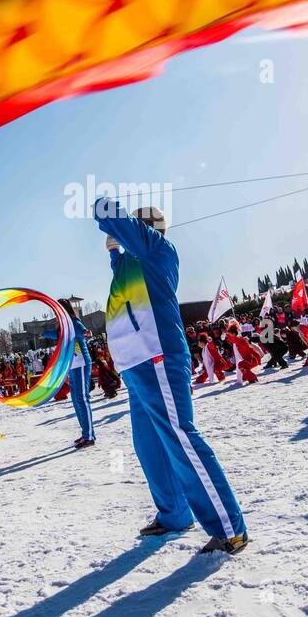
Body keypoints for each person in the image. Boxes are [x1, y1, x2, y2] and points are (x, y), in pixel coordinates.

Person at [95, 198, 247, 554]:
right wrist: (114, 251)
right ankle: (175, 514)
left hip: (158, 356)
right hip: (134, 362)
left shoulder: (156, 248)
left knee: (180, 439)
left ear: (147, 228)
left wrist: (106, 209)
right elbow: (121, 269)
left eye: (135, 224)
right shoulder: (134, 260)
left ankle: (229, 526)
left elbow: (105, 211)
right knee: (149, 445)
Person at [58, 299, 96, 447]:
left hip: (80, 362)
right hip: (73, 365)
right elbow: (56, 334)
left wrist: (87, 332)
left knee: (82, 398)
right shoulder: (63, 325)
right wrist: (44, 334)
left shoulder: (73, 321)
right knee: (75, 399)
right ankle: (85, 433)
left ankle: (89, 436)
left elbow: (83, 331)